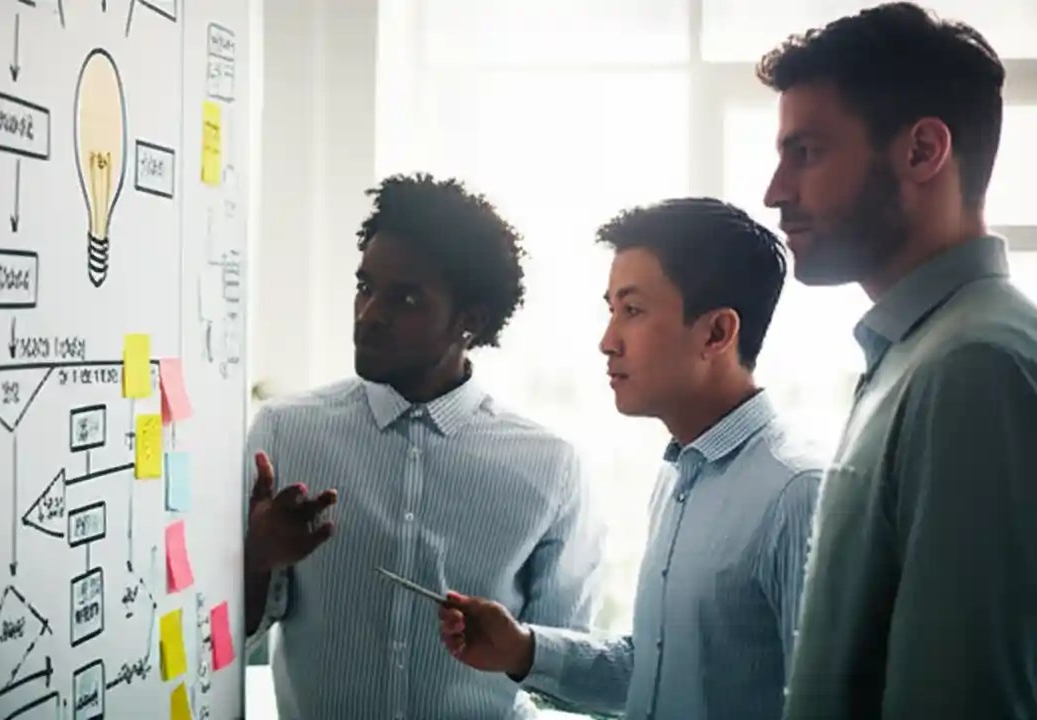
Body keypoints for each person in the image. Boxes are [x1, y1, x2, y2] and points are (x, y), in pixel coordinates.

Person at [437, 198, 824, 720]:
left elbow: (832, 700)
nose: (607, 341)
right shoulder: (679, 477)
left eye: (633, 311)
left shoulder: (797, 492)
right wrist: (523, 651)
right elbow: (659, 673)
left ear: (716, 333)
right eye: (611, 310)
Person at [757, 4, 1037, 717]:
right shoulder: (920, 353)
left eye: (807, 153)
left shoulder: (973, 366)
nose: (775, 192)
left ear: (921, 152)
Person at [242, 172, 606, 719]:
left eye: (405, 298)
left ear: (471, 321)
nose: (368, 316)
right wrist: (255, 559)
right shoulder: (285, 432)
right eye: (365, 287)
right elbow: (224, 641)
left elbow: (559, 675)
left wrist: (520, 647)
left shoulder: (549, 466)